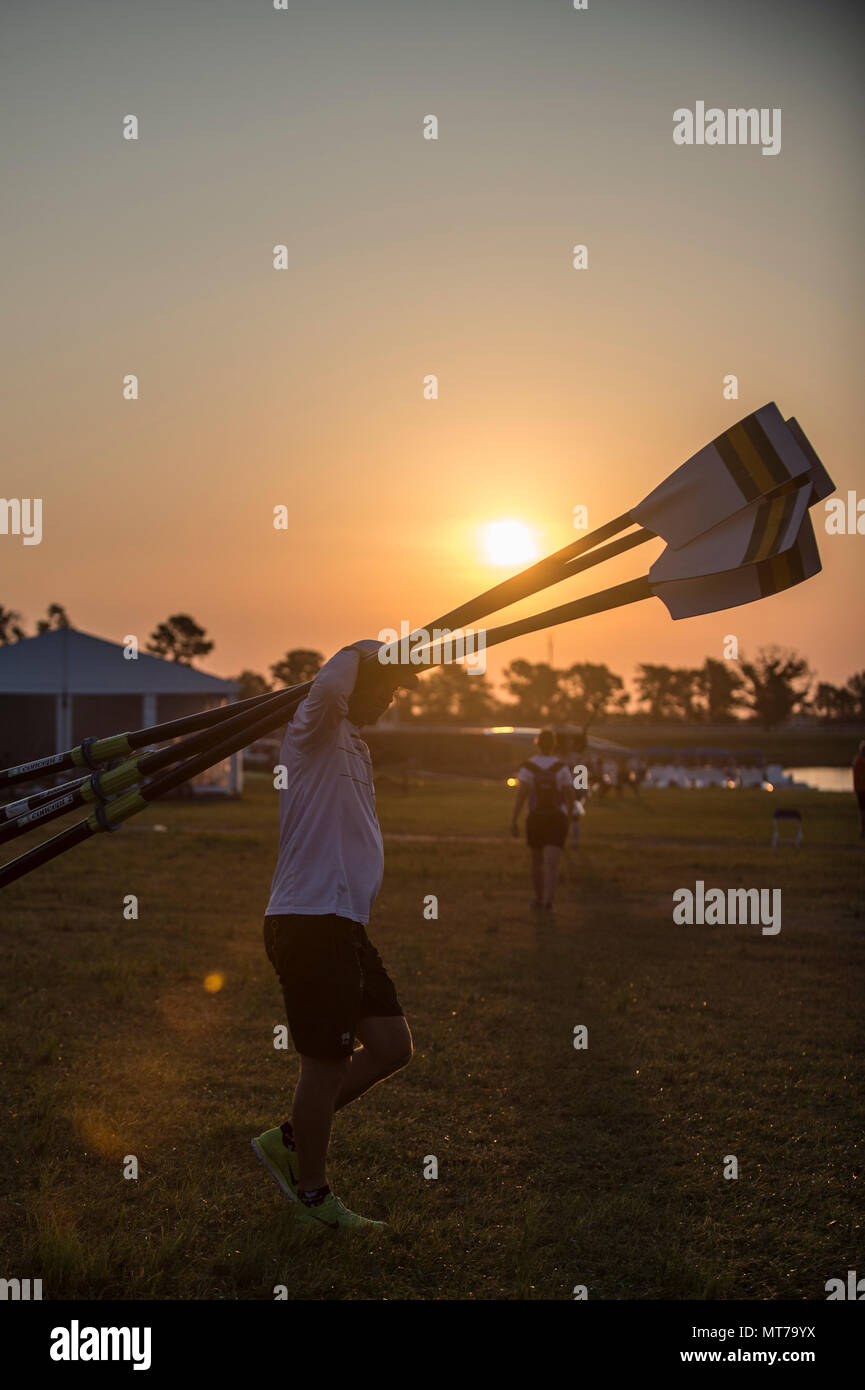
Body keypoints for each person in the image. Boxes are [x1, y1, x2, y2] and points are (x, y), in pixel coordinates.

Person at [253, 640, 418, 1230]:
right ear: (361, 681)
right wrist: (363, 648)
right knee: (324, 1065)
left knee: (393, 1046)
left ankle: (292, 1137)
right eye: (390, 686)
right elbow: (327, 687)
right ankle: (314, 1198)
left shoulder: (355, 743)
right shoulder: (313, 728)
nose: (394, 697)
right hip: (309, 921)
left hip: (343, 922)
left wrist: (407, 658)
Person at [510, 728, 574, 909]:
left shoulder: (529, 766)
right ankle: (549, 900)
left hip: (535, 818)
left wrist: (514, 819)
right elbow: (569, 795)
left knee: (536, 861)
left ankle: (538, 898)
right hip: (556, 818)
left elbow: (521, 796)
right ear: (554, 745)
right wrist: (570, 817)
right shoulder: (561, 767)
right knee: (552, 863)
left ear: (536, 743)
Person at [853, 740, 865, 839]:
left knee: (862, 811)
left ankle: (862, 831)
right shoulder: (859, 761)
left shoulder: (856, 760)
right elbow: (858, 776)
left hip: (859, 790)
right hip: (861, 790)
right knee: (862, 811)